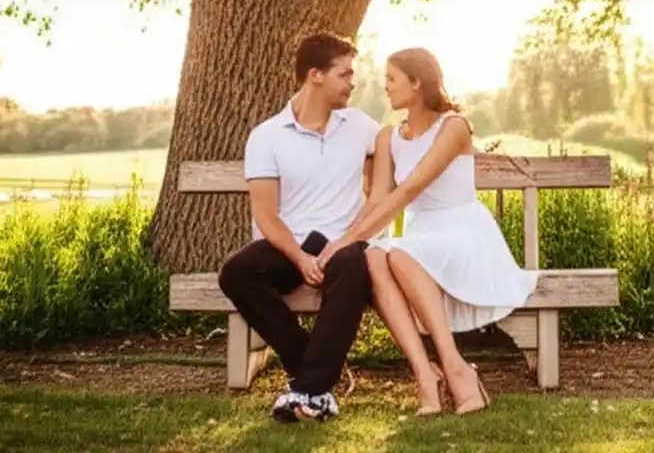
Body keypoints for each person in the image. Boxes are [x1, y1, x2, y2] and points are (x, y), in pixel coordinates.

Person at [318, 48, 537, 415]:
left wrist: (344, 241)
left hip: (462, 233)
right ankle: (424, 374)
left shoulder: (453, 126)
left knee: (400, 253)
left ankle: (455, 368)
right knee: (374, 254)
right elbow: (378, 201)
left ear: (417, 83)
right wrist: (346, 242)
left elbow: (408, 191)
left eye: (391, 79)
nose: (385, 87)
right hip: (422, 237)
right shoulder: (389, 137)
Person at [216, 32, 381, 423]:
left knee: (353, 264)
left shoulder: (361, 126)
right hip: (292, 244)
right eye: (345, 74)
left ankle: (307, 388)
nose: (352, 82)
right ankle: (313, 373)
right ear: (315, 76)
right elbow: (267, 216)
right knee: (236, 273)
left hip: (344, 243)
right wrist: (300, 257)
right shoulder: (267, 137)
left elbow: (409, 146)